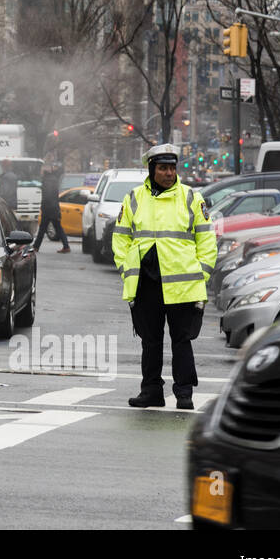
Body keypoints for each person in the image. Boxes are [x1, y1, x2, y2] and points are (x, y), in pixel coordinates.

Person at [112, 144, 216, 410]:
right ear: (152, 169)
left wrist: (202, 273)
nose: (169, 173)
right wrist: (126, 269)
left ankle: (184, 394)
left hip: (183, 284)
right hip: (146, 283)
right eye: (163, 168)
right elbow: (121, 238)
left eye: (172, 168)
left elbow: (207, 240)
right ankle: (151, 392)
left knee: (181, 341)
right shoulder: (134, 198)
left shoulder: (191, 197)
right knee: (150, 341)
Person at [36, 161, 70, 253]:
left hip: (48, 208)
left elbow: (48, 195)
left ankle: (36, 247)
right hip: (53, 208)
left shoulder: (48, 180)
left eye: (43, 168)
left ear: (46, 170)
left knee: (42, 228)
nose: (41, 170)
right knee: (57, 227)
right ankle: (66, 246)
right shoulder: (53, 179)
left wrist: (44, 206)